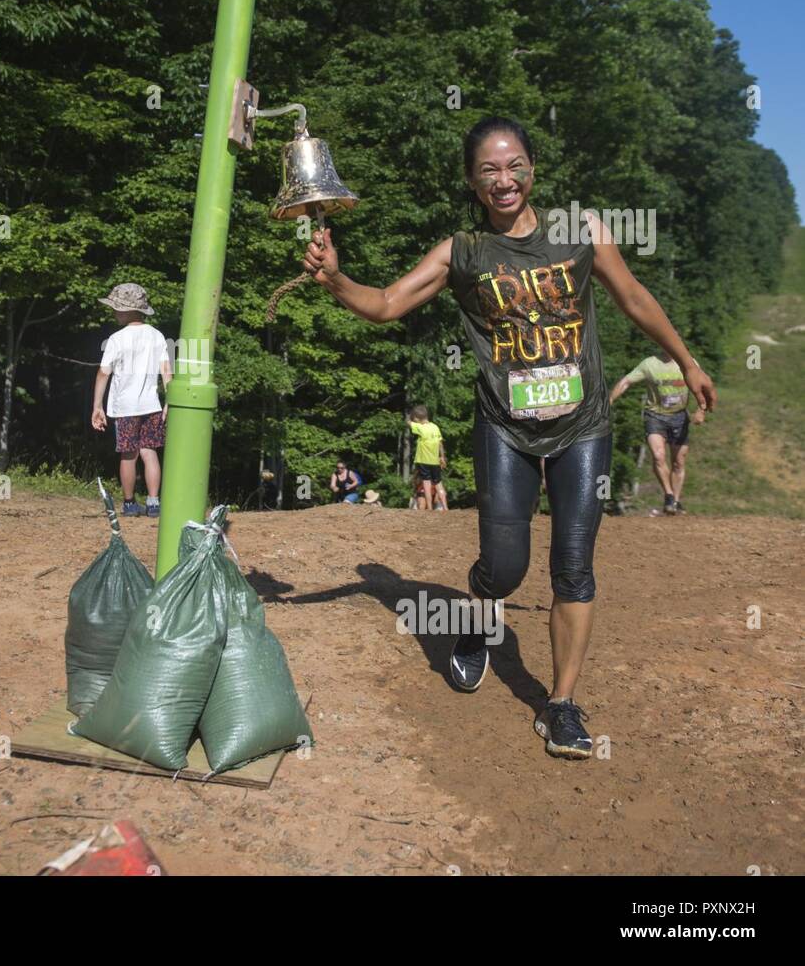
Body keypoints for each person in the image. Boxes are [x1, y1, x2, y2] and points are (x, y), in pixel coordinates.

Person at [303, 115, 716, 760]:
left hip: (581, 425)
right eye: (489, 170)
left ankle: (561, 705)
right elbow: (385, 303)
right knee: (503, 568)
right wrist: (334, 278)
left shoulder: (579, 232)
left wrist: (687, 362)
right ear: (472, 181)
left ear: (533, 169)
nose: (504, 180)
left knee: (573, 568)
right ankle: (477, 620)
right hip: (504, 426)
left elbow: (634, 298)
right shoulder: (462, 252)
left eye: (515, 165)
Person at [91, 283, 171, 517]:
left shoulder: (116, 338)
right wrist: (169, 401)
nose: (113, 312)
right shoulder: (157, 336)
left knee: (128, 454)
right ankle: (154, 502)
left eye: (116, 309)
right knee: (149, 452)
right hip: (152, 405)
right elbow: (166, 371)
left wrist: (97, 406)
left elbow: (103, 372)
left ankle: (129, 503)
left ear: (127, 311)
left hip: (124, 407)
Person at [610, 350, 705, 514]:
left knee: (678, 461)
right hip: (655, 416)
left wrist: (701, 410)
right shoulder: (649, 364)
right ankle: (668, 495)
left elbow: (702, 386)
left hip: (679, 417)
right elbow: (626, 381)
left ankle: (675, 501)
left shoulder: (689, 363)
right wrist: (610, 400)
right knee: (658, 456)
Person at [407, 405, 446, 511]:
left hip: (423, 460)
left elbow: (408, 423)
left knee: (427, 484)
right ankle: (445, 507)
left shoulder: (420, 427)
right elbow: (440, 443)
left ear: (416, 418)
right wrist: (442, 456)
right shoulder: (435, 427)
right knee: (439, 483)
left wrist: (410, 416)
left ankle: (429, 508)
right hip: (435, 460)